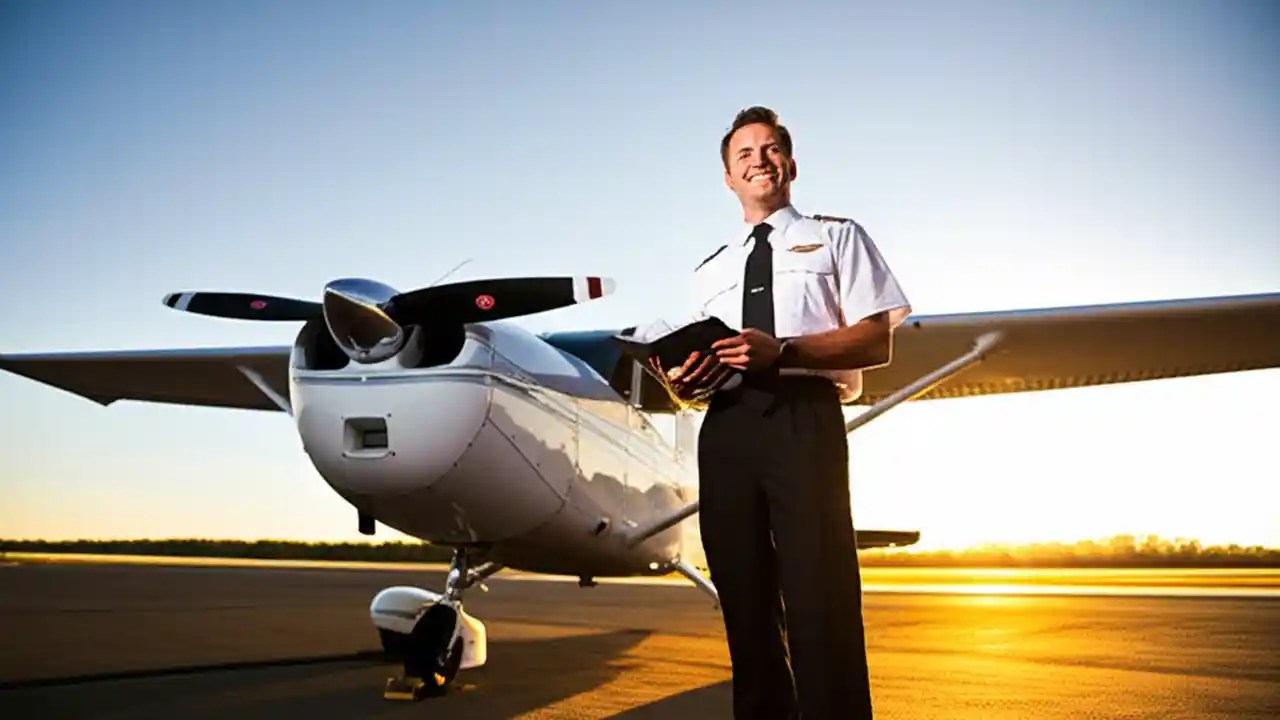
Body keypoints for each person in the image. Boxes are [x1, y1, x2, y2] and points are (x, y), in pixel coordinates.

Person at [674, 106, 911, 719]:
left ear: (791, 163)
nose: (760, 159)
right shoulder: (708, 270)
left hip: (804, 415)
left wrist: (786, 352)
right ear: (728, 176)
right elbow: (711, 362)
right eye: (745, 154)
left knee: (819, 592)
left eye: (771, 148)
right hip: (725, 425)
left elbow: (874, 340)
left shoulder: (839, 235)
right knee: (743, 599)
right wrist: (686, 378)